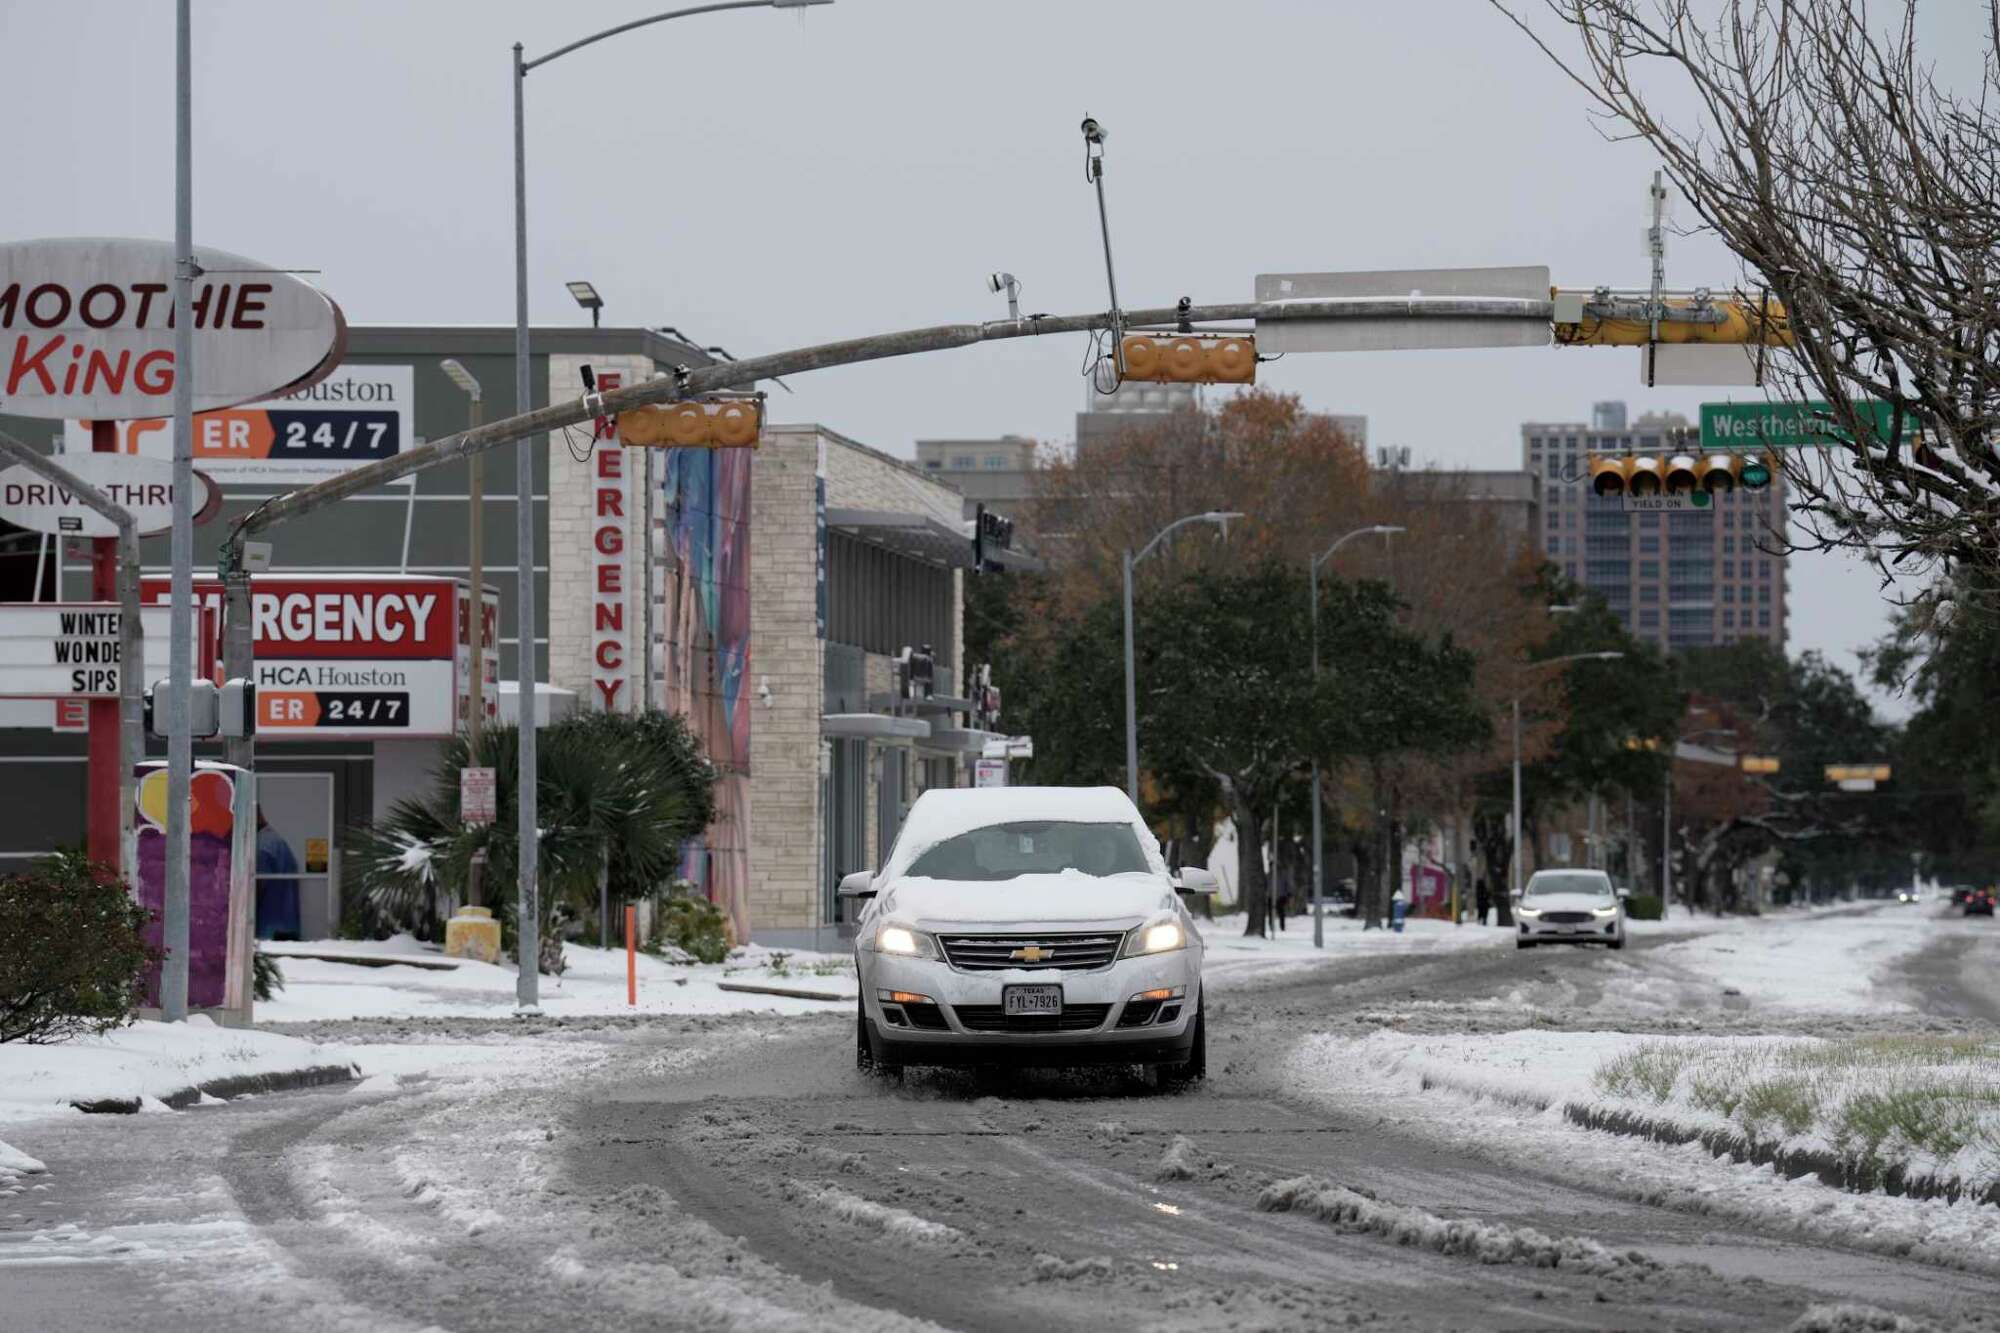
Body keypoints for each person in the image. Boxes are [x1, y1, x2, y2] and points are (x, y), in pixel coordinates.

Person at [255, 810, 303, 941]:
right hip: (289, 925)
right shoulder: (277, 840)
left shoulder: (261, 847)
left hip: (269, 929)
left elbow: (257, 888)